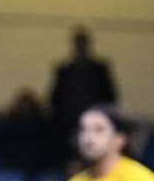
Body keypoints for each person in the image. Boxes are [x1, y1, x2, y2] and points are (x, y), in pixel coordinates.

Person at [48, 25, 117, 161]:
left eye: (83, 42)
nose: (80, 46)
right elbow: (55, 99)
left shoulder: (100, 69)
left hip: (96, 123)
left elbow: (110, 98)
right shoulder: (64, 70)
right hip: (67, 126)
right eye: (78, 43)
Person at [0, 88, 52, 176]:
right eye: (22, 106)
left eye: (27, 106)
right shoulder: (7, 125)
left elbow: (50, 150)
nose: (25, 109)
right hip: (13, 168)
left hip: (40, 169)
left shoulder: (45, 125)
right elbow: (3, 149)